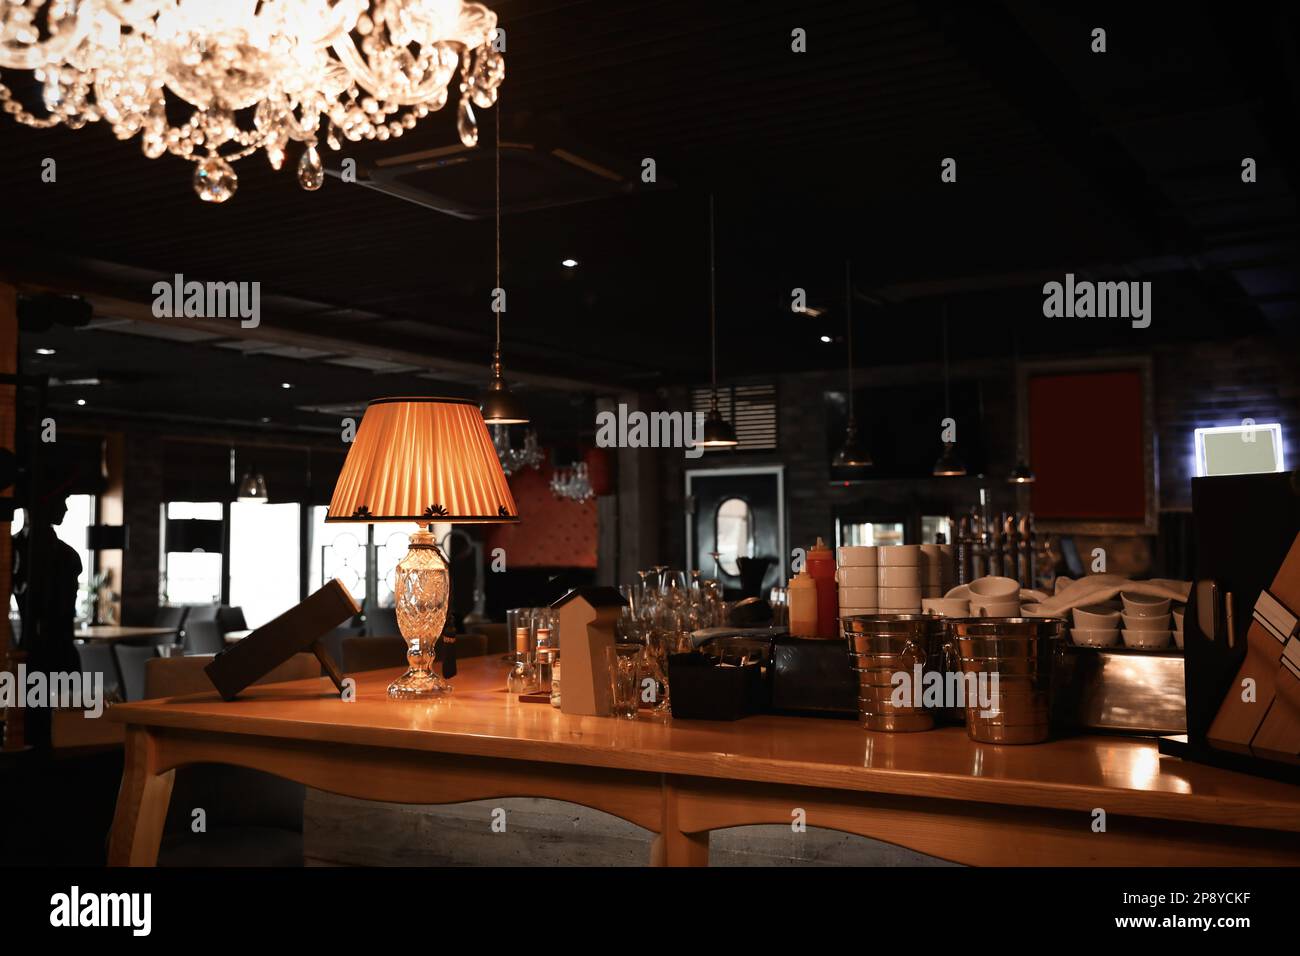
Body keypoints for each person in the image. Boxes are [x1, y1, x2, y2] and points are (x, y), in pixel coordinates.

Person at [12, 487, 82, 747]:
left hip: (46, 653)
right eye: (62, 501)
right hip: (45, 655)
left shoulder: (63, 555)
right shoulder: (63, 556)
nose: (65, 509)